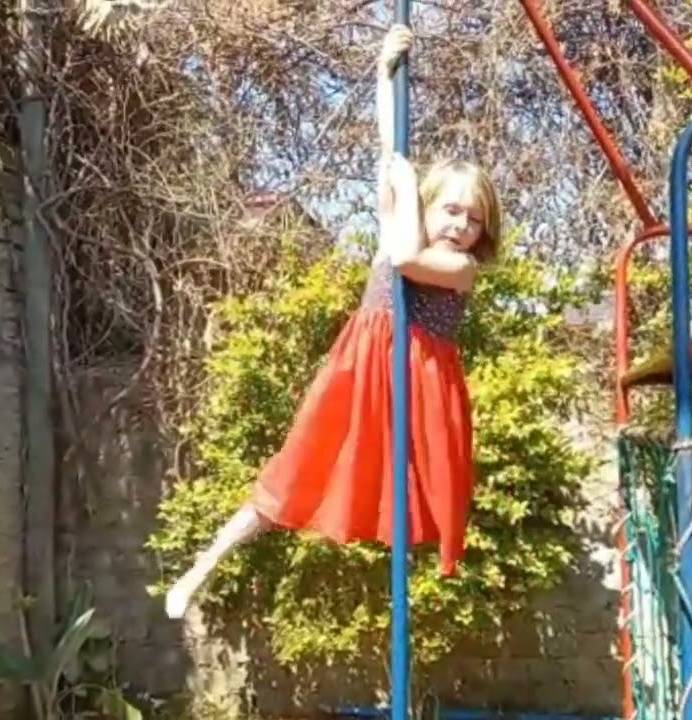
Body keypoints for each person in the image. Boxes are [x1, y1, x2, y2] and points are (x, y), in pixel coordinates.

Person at [164, 23, 503, 620]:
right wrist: (383, 74)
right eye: (451, 209)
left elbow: (406, 257)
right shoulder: (401, 222)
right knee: (296, 469)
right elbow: (388, 153)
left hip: (420, 382)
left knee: (403, 494)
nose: (460, 226)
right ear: (429, 206)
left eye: (473, 219)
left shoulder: (460, 267)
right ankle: (204, 565)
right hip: (362, 367)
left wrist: (406, 185)